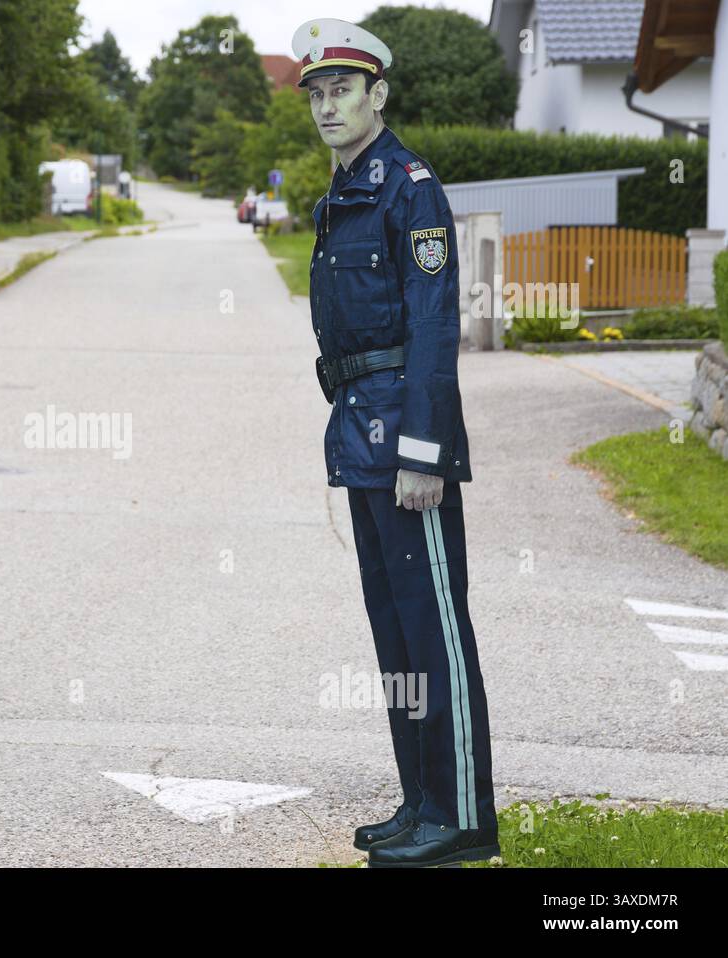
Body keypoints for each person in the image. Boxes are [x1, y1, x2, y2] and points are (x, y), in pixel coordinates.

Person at [293, 17, 499, 867]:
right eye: (317, 92)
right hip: (357, 429)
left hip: (403, 441)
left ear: (378, 94)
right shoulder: (341, 194)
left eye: (343, 88)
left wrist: (425, 451)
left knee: (435, 627)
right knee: (396, 634)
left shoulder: (409, 188)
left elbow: (431, 325)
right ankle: (419, 801)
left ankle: (461, 819)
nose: (328, 104)